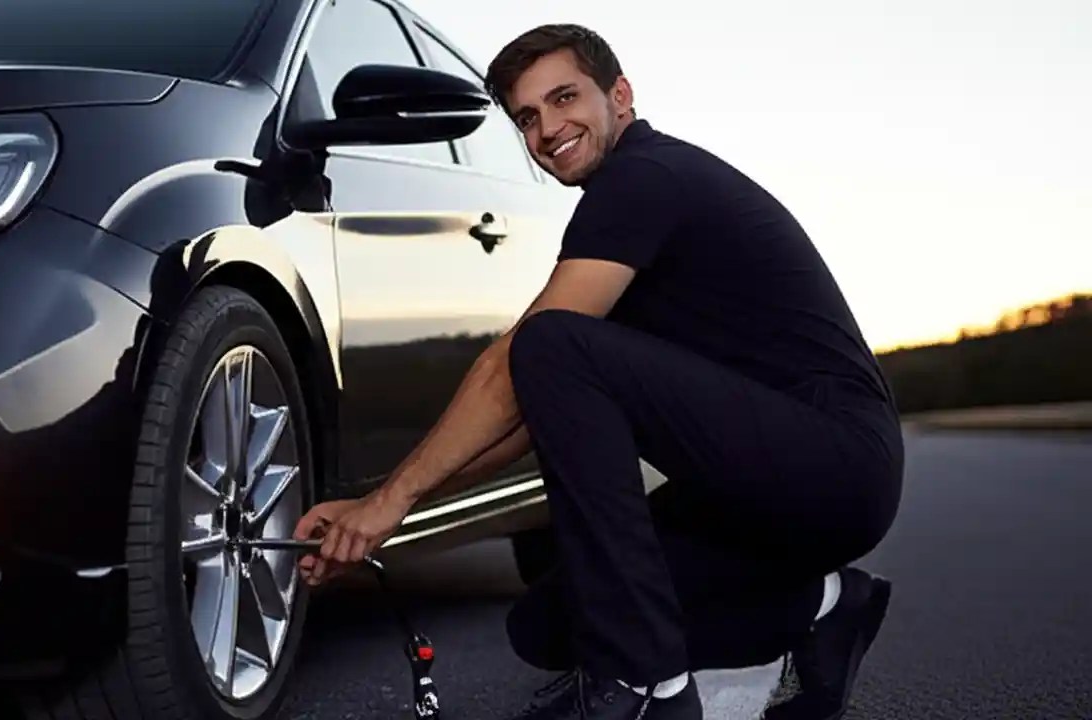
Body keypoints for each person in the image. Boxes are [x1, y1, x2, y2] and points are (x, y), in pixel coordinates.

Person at [293, 23, 905, 720]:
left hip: (833, 463)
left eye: (564, 98)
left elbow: (519, 362)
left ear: (620, 95)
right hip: (758, 487)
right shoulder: (619, 214)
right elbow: (530, 415)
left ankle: (648, 685)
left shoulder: (646, 175)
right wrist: (381, 513)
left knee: (550, 343)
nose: (548, 128)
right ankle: (827, 604)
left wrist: (388, 502)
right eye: (527, 117)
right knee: (550, 625)